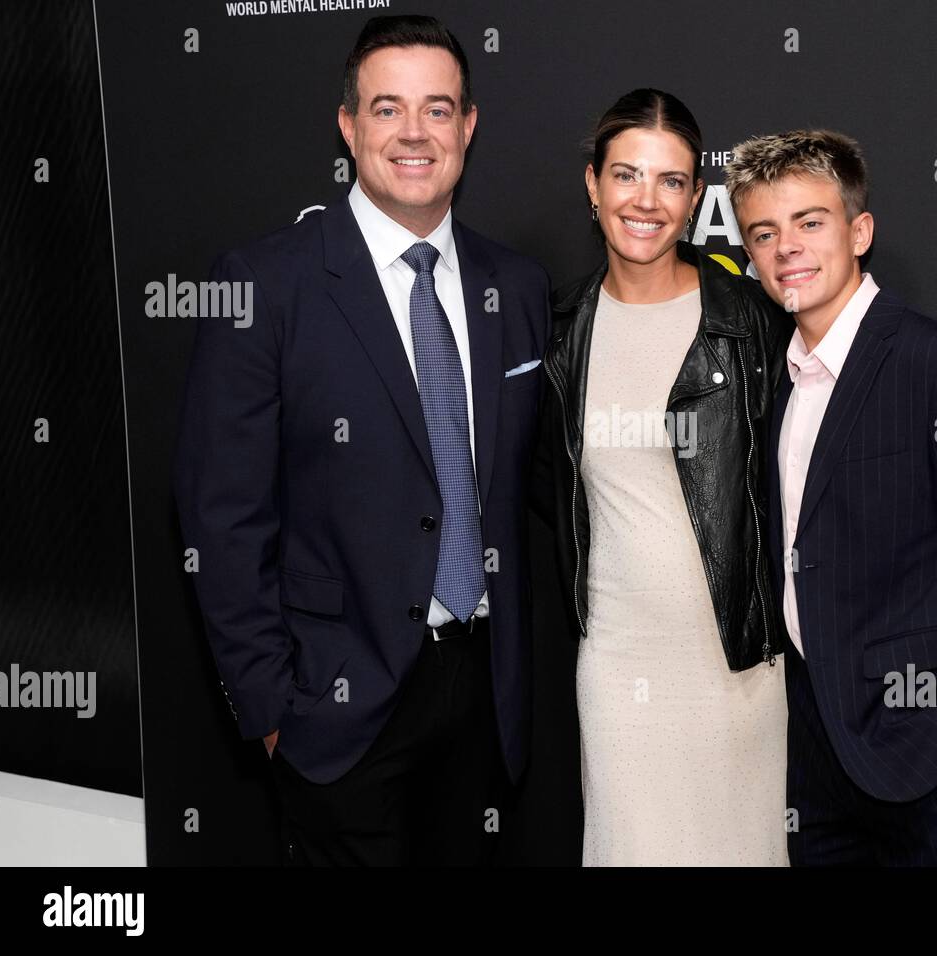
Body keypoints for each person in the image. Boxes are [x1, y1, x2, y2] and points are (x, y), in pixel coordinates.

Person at [173, 15, 550, 865]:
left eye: (438, 109)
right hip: (337, 705)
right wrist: (271, 709)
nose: (415, 133)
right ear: (348, 125)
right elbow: (219, 516)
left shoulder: (515, 286)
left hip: (486, 698)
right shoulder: (264, 284)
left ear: (469, 126)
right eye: (388, 109)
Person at [726, 129, 937, 865]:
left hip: (928, 763)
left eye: (809, 222)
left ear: (860, 231)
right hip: (820, 762)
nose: (786, 247)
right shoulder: (780, 379)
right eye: (764, 232)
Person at [533, 89, 793, 866]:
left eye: (671, 181)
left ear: (693, 198)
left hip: (734, 671)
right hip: (618, 668)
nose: (646, 201)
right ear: (592, 185)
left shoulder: (752, 320)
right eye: (627, 175)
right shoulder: (561, 329)